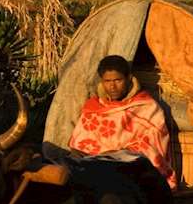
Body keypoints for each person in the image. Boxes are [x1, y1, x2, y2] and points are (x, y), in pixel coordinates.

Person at [68, 55, 177, 189]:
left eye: (118, 80)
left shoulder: (147, 107)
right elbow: (80, 142)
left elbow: (154, 143)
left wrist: (114, 154)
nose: (112, 86)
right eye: (107, 81)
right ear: (101, 81)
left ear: (129, 79)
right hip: (93, 164)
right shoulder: (94, 107)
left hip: (128, 167)